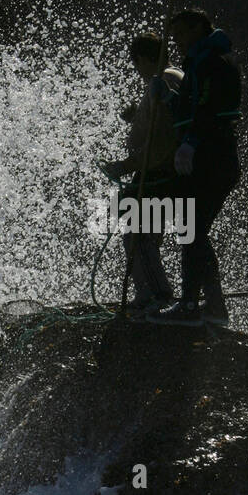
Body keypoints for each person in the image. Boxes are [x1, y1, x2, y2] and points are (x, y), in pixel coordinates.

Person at [149, 8, 241, 327]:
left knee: (192, 229)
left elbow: (209, 109)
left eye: (180, 33)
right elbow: (190, 108)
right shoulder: (199, 61)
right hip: (209, 156)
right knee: (194, 231)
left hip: (213, 157)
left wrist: (191, 141)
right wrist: (169, 99)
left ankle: (191, 304)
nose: (176, 40)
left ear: (198, 28)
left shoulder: (213, 61)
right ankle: (213, 306)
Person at [102, 35, 184, 315]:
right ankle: (151, 292)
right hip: (160, 172)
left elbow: (161, 138)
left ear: (144, 59)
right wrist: (136, 115)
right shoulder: (172, 78)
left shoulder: (163, 80)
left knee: (138, 235)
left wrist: (126, 165)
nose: (137, 71)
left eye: (136, 64)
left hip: (158, 173)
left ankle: (155, 295)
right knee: (143, 234)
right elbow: (161, 121)